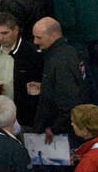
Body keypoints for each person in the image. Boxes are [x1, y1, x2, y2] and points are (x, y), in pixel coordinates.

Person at [31, 18, 85, 147]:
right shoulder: (69, 51)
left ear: (53, 35)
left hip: (62, 132)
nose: (35, 42)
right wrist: (46, 86)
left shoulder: (60, 62)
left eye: (39, 37)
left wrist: (55, 128)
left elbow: (69, 101)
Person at [0, 11, 44, 126]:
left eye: (5, 33)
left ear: (16, 30)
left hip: (24, 115)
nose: (0, 38)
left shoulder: (31, 53)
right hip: (0, 112)